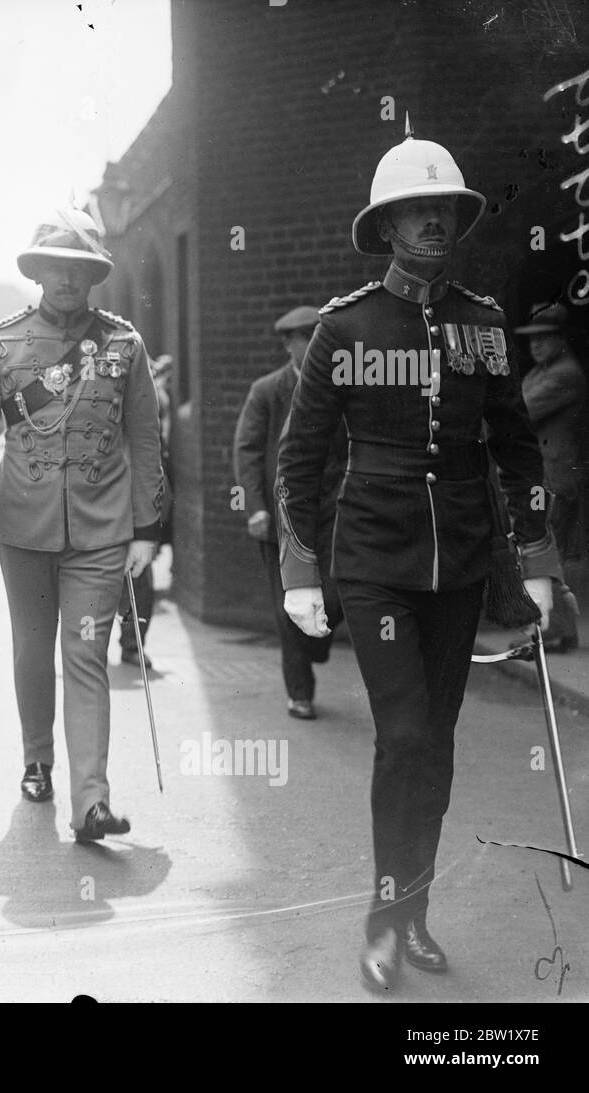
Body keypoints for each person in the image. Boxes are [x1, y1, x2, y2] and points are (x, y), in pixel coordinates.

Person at [275, 120, 559, 991]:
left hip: (461, 564)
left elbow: (516, 449)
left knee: (433, 744)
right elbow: (299, 458)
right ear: (387, 228)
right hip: (373, 562)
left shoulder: (483, 325)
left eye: (443, 210)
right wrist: (299, 574)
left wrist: (539, 560)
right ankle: (383, 918)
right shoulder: (345, 328)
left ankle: (416, 916)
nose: (432, 224)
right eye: (414, 212)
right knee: (402, 736)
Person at [0, 208, 166, 842]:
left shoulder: (124, 345)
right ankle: (36, 759)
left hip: (101, 531)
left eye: (80, 270)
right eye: (56, 269)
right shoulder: (0, 343)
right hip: (21, 528)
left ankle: (91, 803)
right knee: (31, 649)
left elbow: (145, 440)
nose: (67, 281)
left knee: (86, 653)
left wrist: (148, 529)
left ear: (93, 275)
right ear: (37, 271)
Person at [233, 305, 347, 719]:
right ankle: (300, 693)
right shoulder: (267, 391)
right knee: (288, 605)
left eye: (321, 338)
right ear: (288, 345)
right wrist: (256, 507)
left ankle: (317, 640)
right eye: (307, 339)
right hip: (281, 518)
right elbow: (246, 451)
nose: (317, 347)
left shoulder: (340, 387)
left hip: (332, 510)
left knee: (336, 594)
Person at [514, 302, 585, 651]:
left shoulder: (565, 374)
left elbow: (520, 409)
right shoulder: (540, 372)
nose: (536, 346)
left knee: (549, 551)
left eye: (544, 338)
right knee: (545, 547)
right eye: (532, 340)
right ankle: (556, 630)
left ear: (559, 339)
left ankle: (557, 631)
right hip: (542, 476)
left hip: (556, 477)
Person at [116, 352, 174, 669]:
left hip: (138, 505)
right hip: (104, 505)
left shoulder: (148, 399)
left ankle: (132, 644)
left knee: (140, 580)